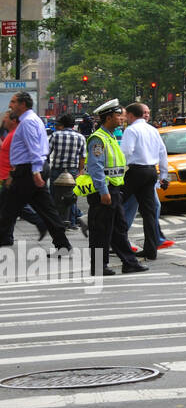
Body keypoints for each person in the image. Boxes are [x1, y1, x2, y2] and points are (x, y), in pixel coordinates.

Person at [0, 92, 73, 253]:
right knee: (46, 210)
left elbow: (34, 149)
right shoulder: (30, 120)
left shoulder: (27, 122)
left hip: (29, 170)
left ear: (22, 104)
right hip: (30, 169)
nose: (10, 105)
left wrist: (35, 172)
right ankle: (63, 245)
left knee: (7, 208)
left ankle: (61, 243)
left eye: (13, 102)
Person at [82, 100, 146, 274]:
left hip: (114, 190)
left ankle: (129, 262)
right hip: (104, 192)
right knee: (100, 231)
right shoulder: (98, 139)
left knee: (119, 228)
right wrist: (103, 191)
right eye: (118, 115)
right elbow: (96, 168)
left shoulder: (110, 136)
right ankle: (99, 266)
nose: (122, 118)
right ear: (108, 117)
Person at [120, 101, 170, 260]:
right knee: (149, 213)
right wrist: (163, 175)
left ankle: (116, 242)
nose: (125, 118)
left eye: (126, 116)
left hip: (135, 171)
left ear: (131, 115)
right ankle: (151, 249)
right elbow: (163, 152)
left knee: (117, 202)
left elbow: (126, 152)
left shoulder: (131, 130)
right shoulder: (153, 130)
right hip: (151, 171)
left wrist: (120, 170)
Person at [46, 113, 86, 235]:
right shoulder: (80, 137)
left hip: (57, 170)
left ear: (62, 124)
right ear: (73, 125)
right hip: (73, 171)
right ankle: (71, 222)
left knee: (55, 196)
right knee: (71, 197)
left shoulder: (55, 135)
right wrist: (80, 171)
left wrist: (47, 166)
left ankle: (57, 222)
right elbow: (82, 157)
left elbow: (47, 152)